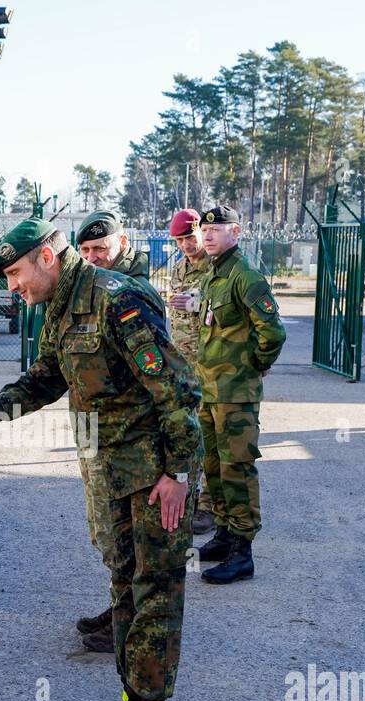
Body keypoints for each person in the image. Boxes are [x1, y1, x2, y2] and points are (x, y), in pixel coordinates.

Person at [0, 218, 202, 701]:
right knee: (124, 585)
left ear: (47, 257)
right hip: (111, 474)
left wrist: (180, 476)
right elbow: (48, 376)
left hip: (153, 478)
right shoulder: (63, 305)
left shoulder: (117, 300)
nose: (12, 287)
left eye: (16, 273)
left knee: (155, 594)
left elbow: (179, 391)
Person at [69, 209, 169, 651]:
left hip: (124, 439)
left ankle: (126, 618)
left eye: (101, 249)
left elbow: (163, 381)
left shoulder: (132, 295)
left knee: (120, 532)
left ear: (123, 243)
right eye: (86, 251)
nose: (93, 258)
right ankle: (119, 604)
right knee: (103, 528)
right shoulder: (87, 288)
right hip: (90, 429)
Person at [195, 205, 286, 585]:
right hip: (210, 390)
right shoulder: (214, 276)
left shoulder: (246, 277)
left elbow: (273, 332)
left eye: (217, 229)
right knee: (214, 467)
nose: (208, 235)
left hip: (235, 394)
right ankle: (225, 532)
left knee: (238, 468)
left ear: (236, 232)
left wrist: (256, 364)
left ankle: (243, 550)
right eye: (205, 229)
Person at [165, 208, 215, 534]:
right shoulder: (179, 267)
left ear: (201, 231)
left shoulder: (216, 265)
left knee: (211, 434)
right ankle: (193, 495)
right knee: (190, 431)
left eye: (189, 237)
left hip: (211, 362)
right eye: (180, 240)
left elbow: (225, 305)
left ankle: (209, 504)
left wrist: (196, 304)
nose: (185, 244)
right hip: (184, 364)